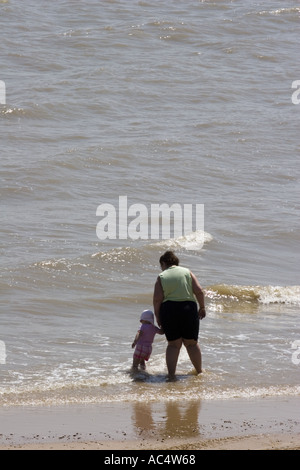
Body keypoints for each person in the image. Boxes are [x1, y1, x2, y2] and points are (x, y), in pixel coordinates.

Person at [153, 251, 206, 379]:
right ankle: (199, 372)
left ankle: (171, 375)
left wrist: (158, 316)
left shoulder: (162, 276)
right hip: (188, 308)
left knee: (173, 345)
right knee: (191, 343)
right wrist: (202, 307)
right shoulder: (187, 272)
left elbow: (157, 299)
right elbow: (199, 291)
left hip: (169, 309)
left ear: (164, 263)